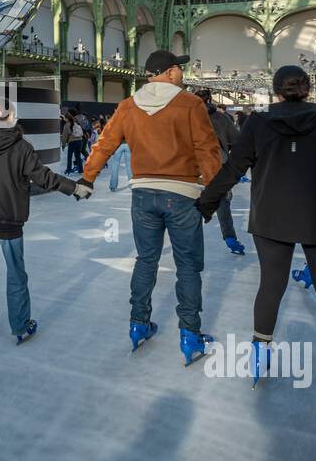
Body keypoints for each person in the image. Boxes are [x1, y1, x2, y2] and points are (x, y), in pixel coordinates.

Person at [197, 66, 316, 407]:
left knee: (271, 285)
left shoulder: (259, 124)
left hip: (272, 217)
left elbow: (233, 167)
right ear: (308, 90)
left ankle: (260, 354)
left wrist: (207, 201)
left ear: (276, 91)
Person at [77, 51, 222, 360]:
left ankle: (138, 324)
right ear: (169, 73)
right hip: (182, 194)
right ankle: (190, 335)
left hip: (143, 195)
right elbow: (207, 149)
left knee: (146, 260)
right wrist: (214, 191)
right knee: (188, 265)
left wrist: (88, 177)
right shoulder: (191, 104)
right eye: (178, 69)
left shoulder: (128, 107)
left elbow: (105, 143)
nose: (181, 74)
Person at [0, 99, 78, 343]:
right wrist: (73, 188)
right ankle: (19, 325)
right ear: (11, 116)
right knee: (16, 274)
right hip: (10, 220)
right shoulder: (22, 147)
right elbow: (43, 178)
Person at [196, 88, 246, 255]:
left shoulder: (187, 118)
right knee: (222, 202)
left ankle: (189, 239)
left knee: (188, 204)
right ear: (210, 100)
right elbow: (237, 140)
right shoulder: (222, 118)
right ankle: (230, 237)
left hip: (192, 166)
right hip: (218, 164)